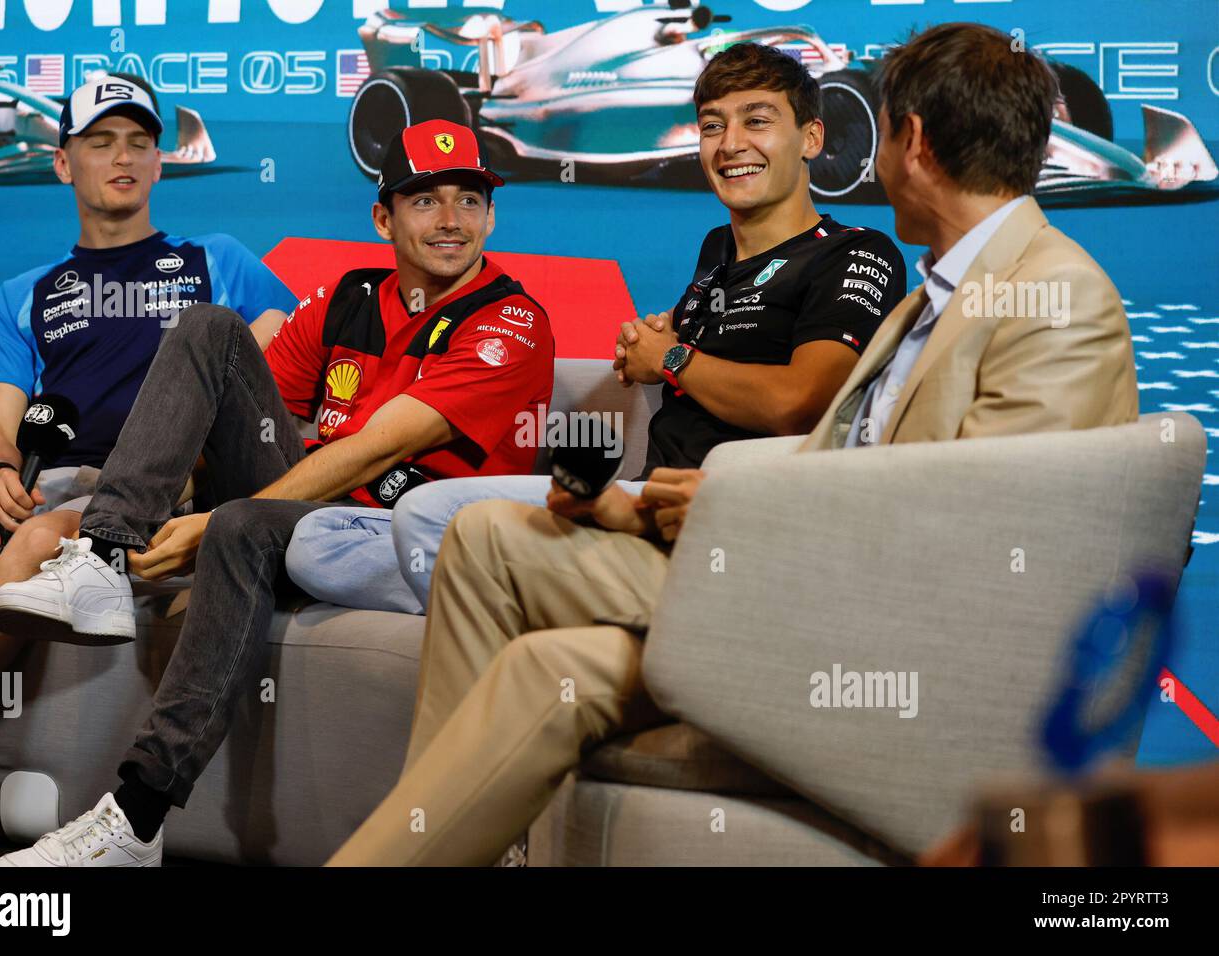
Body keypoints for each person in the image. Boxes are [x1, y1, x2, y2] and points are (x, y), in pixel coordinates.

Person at [328, 24, 1138, 866]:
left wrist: (733, 502)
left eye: (881, 126)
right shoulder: (940, 289)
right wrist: (646, 504)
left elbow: (995, 540)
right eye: (713, 123)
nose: (727, 145)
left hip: (848, 626)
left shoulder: (1051, 296)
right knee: (490, 549)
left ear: (913, 142)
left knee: (476, 542)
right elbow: (859, 454)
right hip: (762, 555)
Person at [0, 120, 555, 867]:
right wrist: (173, 503)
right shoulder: (349, 297)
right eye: (426, 201)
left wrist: (215, 519)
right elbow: (234, 411)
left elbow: (378, 445)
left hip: (416, 543)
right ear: (383, 217)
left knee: (244, 529)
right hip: (320, 519)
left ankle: (135, 818)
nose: (451, 221)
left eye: (469, 200)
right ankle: (101, 552)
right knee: (210, 327)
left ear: (490, 215)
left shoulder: (510, 320)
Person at [288, 41, 905, 611]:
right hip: (637, 500)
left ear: (813, 137)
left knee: (424, 515)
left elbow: (803, 404)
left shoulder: (855, 253)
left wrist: (670, 359)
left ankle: (511, 590)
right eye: (714, 125)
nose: (731, 143)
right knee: (317, 540)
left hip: (724, 514)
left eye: (758, 120)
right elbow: (700, 353)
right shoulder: (717, 252)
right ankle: (531, 590)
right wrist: (652, 345)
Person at [0, 75, 293, 864]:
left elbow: (272, 386)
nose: (122, 157)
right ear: (62, 163)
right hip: (35, 486)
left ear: (161, 162)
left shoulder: (215, 264)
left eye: (139, 142)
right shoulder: (23, 294)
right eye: (100, 141)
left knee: (34, 549)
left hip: (151, 496)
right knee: (5, 526)